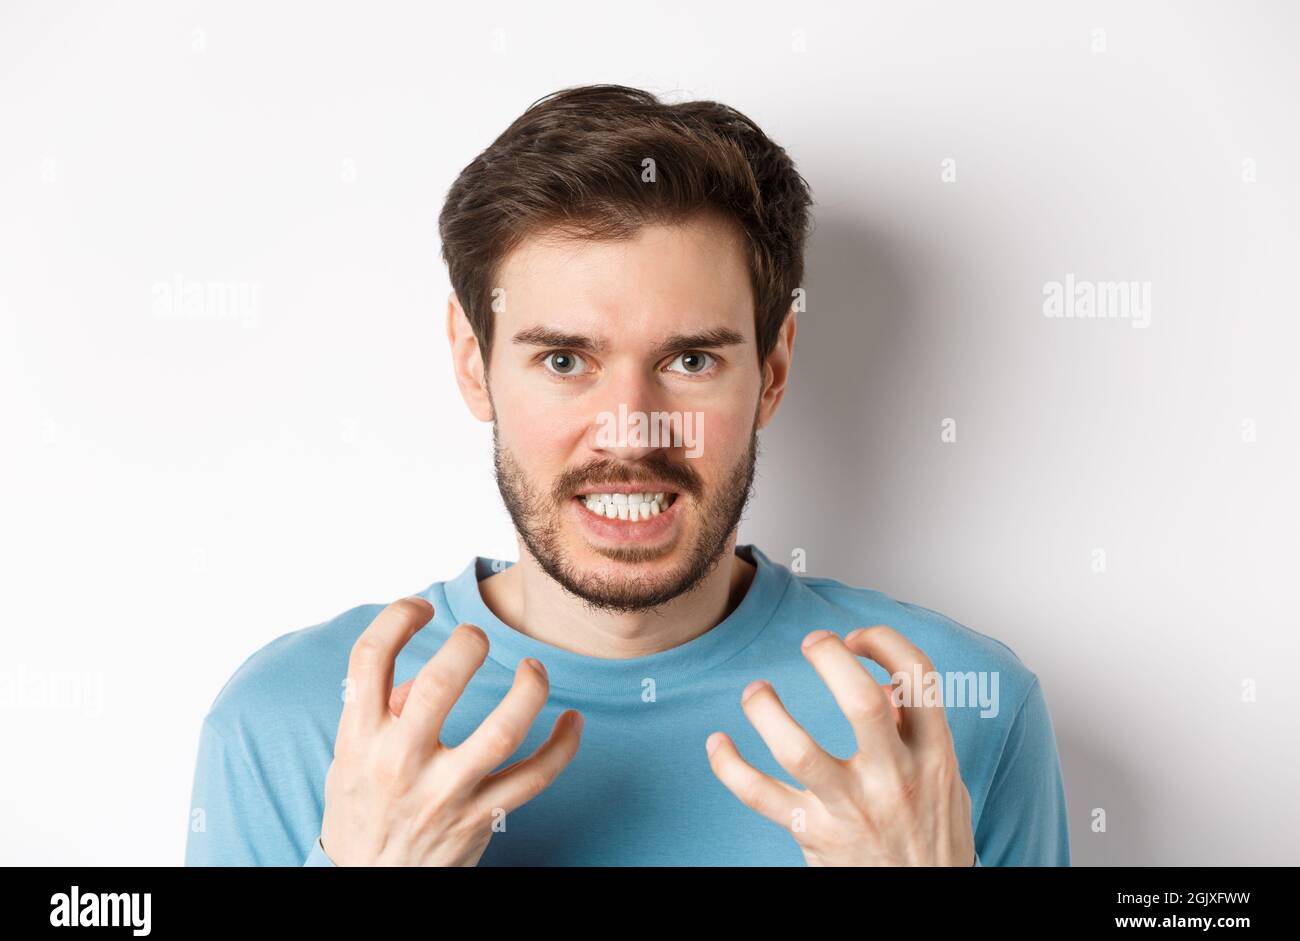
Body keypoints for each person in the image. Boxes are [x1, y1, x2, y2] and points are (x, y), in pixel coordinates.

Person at [185, 84, 1069, 867]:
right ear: (472, 362)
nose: (629, 429)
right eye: (565, 360)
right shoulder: (294, 721)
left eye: (689, 359)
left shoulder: (952, 709)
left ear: (772, 369)